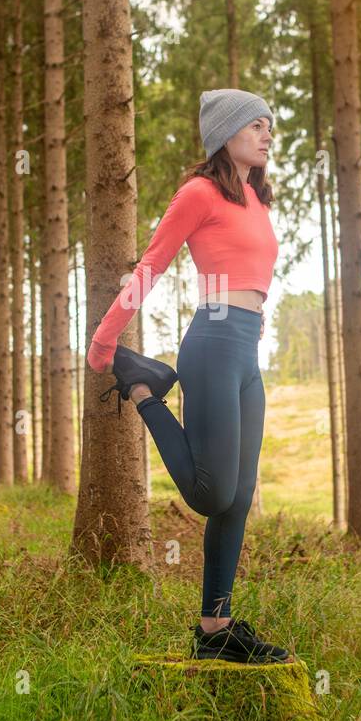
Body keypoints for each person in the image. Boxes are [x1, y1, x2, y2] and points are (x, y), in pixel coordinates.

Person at [86, 88, 290, 664]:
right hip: (211, 344)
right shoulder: (198, 193)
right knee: (210, 493)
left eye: (268, 126)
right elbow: (151, 265)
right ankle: (145, 389)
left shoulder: (256, 199)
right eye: (255, 125)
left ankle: (214, 628)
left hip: (246, 350)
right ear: (225, 133)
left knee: (238, 497)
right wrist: (105, 341)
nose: (266, 134)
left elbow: (253, 275)